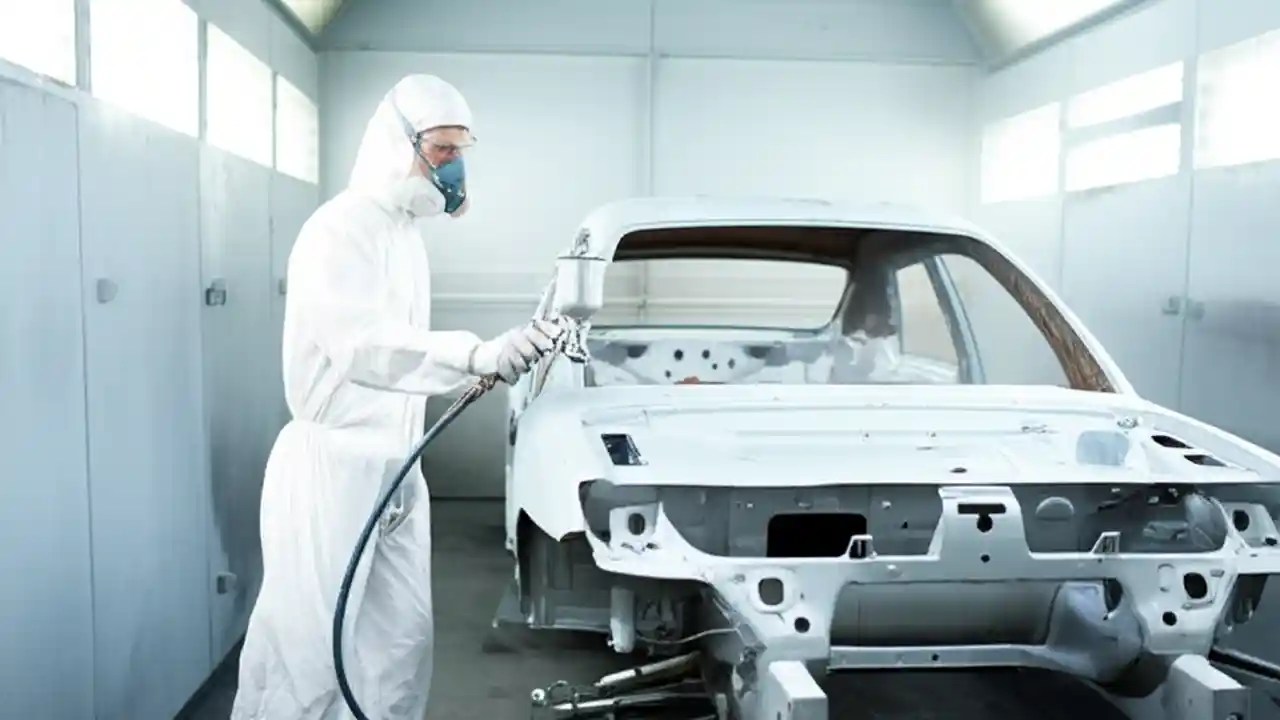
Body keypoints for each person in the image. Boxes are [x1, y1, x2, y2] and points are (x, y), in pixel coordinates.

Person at [231, 74, 559, 720]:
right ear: (396, 144)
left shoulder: (406, 238)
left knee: (399, 644)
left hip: (398, 464)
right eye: (441, 150)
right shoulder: (339, 229)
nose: (454, 166)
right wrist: (473, 353)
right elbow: (363, 345)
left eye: (461, 150)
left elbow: (405, 354)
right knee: (310, 651)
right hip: (334, 467)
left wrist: (486, 366)